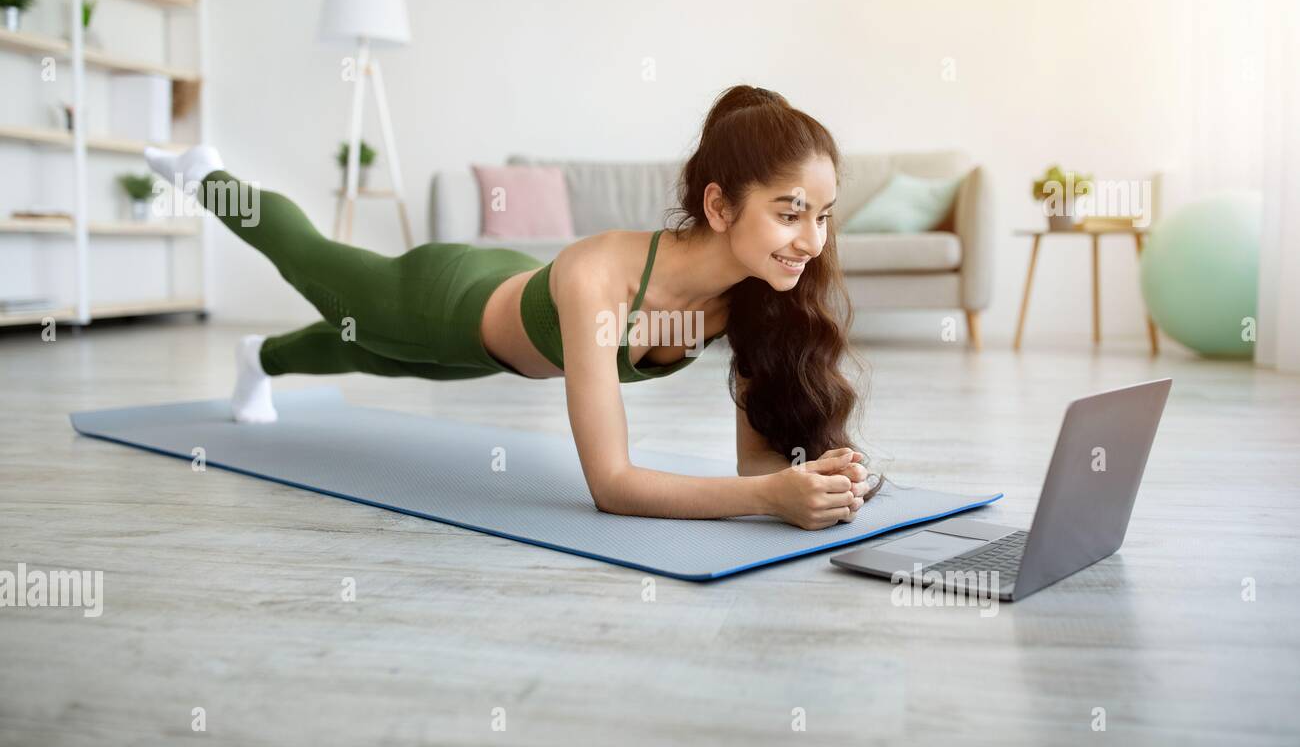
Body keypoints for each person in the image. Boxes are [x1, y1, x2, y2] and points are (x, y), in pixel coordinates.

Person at [144, 84, 884, 530]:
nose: (811, 241)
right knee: (311, 260)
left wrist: (808, 482)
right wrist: (769, 500)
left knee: (365, 353)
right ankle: (205, 176)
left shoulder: (756, 301)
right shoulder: (599, 276)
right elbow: (612, 486)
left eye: (822, 217)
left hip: (496, 333)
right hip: (438, 302)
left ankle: (258, 359)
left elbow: (756, 466)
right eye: (790, 214)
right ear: (720, 207)